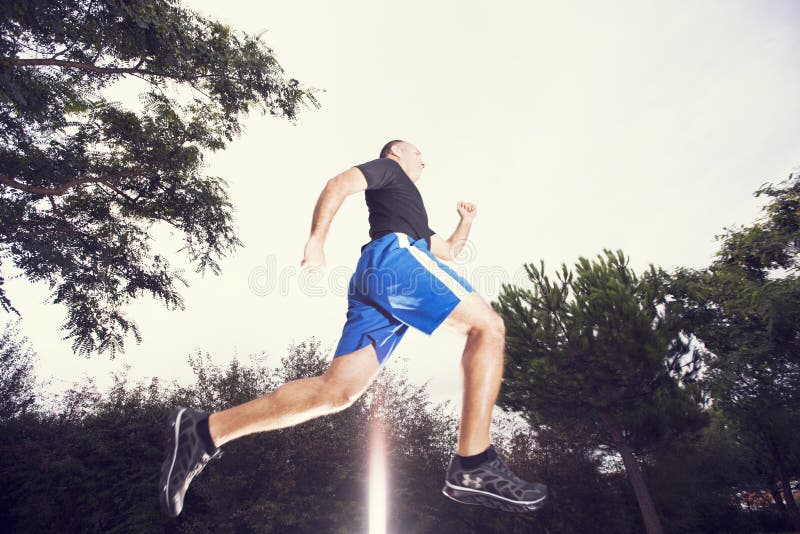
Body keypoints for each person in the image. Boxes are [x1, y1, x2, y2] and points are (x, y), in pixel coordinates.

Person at [159, 140, 547, 517]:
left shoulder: (411, 213)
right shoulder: (390, 168)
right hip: (394, 259)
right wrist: (317, 240)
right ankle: (474, 462)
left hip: (380, 275)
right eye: (418, 153)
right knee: (488, 327)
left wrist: (466, 222)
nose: (424, 162)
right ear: (396, 152)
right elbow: (339, 184)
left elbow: (447, 251)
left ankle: (206, 430)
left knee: (337, 390)